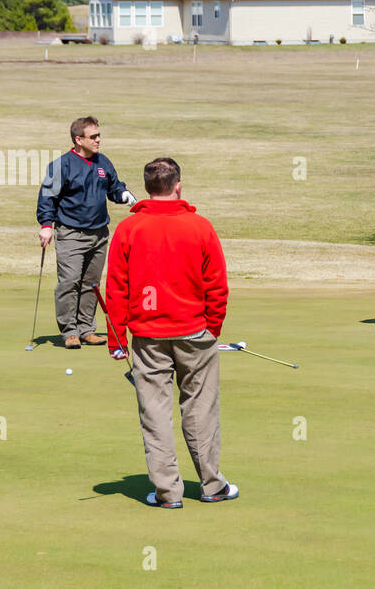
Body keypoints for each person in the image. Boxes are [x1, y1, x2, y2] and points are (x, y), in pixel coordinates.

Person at [104, 157, 237, 509]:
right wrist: (212, 327)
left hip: (148, 338)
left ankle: (167, 493)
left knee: (155, 414)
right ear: (177, 185)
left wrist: (116, 339)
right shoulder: (199, 226)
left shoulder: (129, 230)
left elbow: (117, 289)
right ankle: (212, 485)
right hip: (195, 333)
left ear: (148, 187)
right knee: (201, 410)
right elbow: (217, 286)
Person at [37, 116, 136, 349]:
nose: (98, 140)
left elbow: (113, 187)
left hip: (99, 234)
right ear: (78, 140)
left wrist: (123, 195)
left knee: (91, 283)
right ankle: (69, 331)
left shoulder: (103, 162)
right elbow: (48, 197)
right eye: (93, 137)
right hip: (71, 233)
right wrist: (46, 225)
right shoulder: (62, 165)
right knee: (69, 281)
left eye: (99, 135)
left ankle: (86, 329)